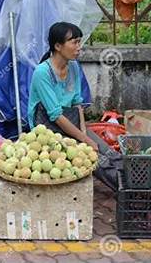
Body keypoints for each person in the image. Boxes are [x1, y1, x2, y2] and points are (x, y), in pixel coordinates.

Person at [28, 22, 121, 190]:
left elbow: (77, 103)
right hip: (49, 128)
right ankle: (129, 191)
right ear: (57, 46)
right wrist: (84, 140)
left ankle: (136, 182)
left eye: (79, 42)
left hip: (70, 122)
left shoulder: (74, 67)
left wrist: (84, 133)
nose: (79, 47)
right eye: (74, 42)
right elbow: (55, 115)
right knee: (96, 159)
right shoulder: (42, 73)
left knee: (108, 152)